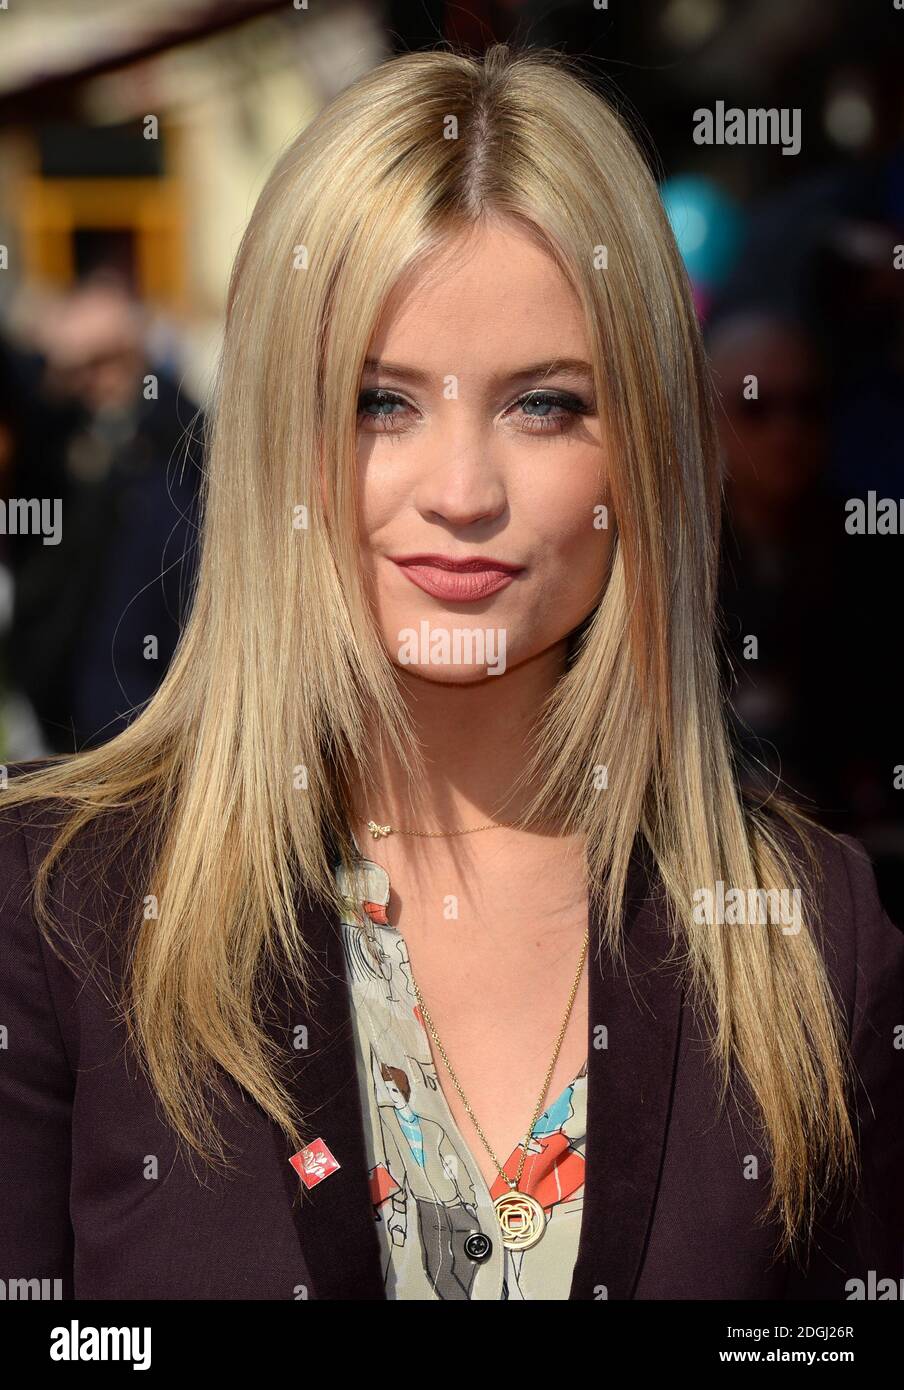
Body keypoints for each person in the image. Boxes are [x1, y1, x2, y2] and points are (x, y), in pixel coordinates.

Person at [0, 43, 901, 1302]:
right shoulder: (55, 905)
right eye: (380, 402)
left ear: (640, 444)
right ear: (277, 430)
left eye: (545, 405)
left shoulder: (806, 933)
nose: (463, 494)